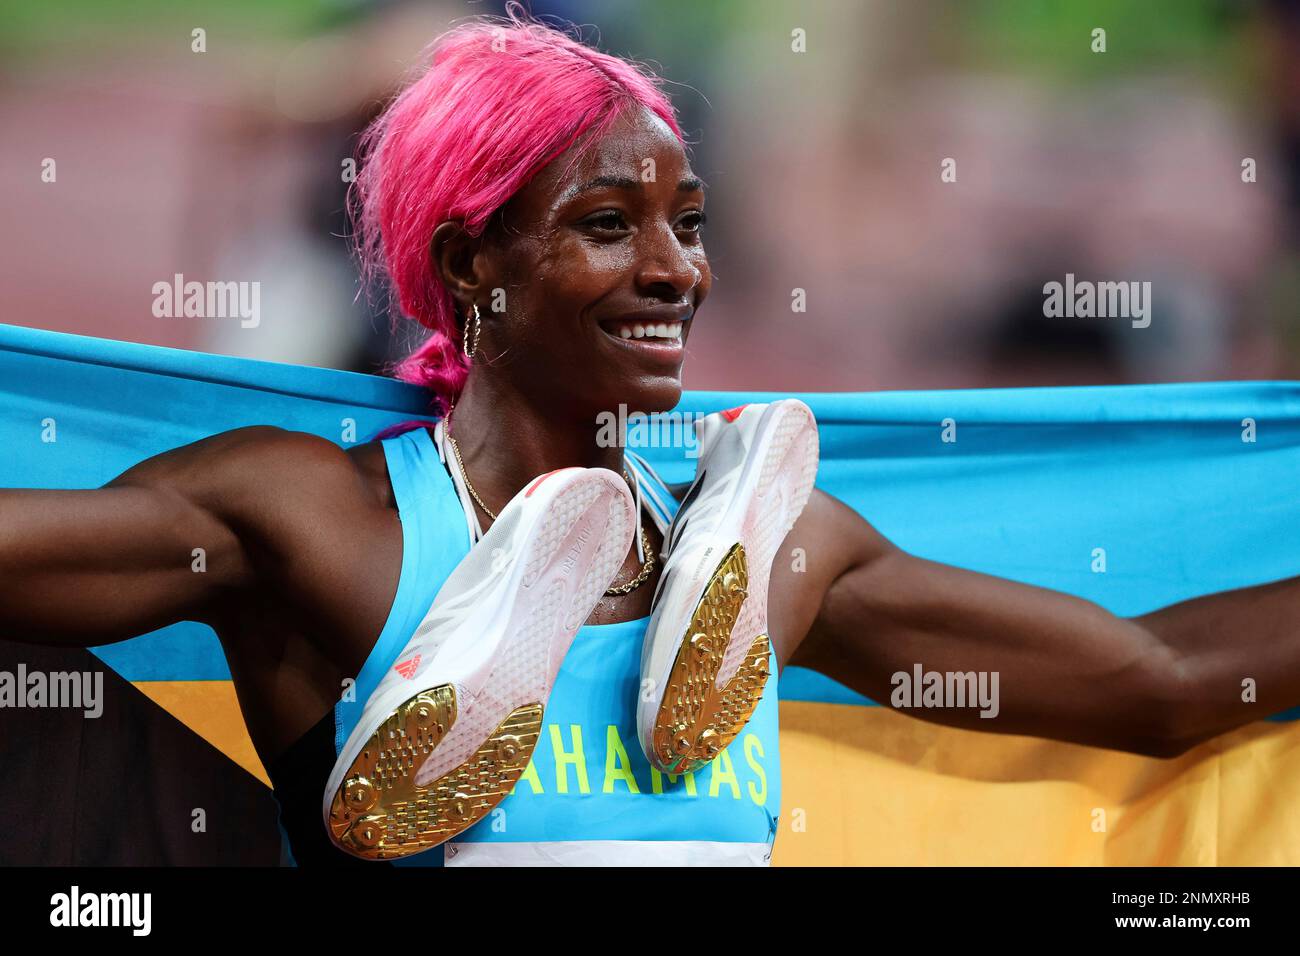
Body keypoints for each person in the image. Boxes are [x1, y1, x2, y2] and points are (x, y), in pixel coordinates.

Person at [2, 11, 1299, 867]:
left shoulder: (783, 557)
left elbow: (1164, 679)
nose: (678, 269)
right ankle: (428, 696)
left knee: (754, 550)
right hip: (392, 657)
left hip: (718, 554)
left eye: (691, 221)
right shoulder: (309, 518)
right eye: (612, 224)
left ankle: (566, 605)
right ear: (472, 262)